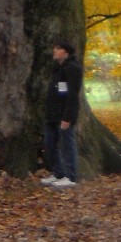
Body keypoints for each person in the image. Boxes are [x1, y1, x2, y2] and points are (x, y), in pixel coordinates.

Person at [40, 39, 82, 188]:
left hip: (64, 115)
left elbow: (72, 95)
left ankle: (70, 177)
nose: (54, 51)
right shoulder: (58, 68)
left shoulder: (72, 68)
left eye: (58, 48)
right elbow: (59, 91)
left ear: (66, 52)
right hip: (53, 114)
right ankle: (58, 173)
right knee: (50, 144)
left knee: (67, 144)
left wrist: (67, 117)